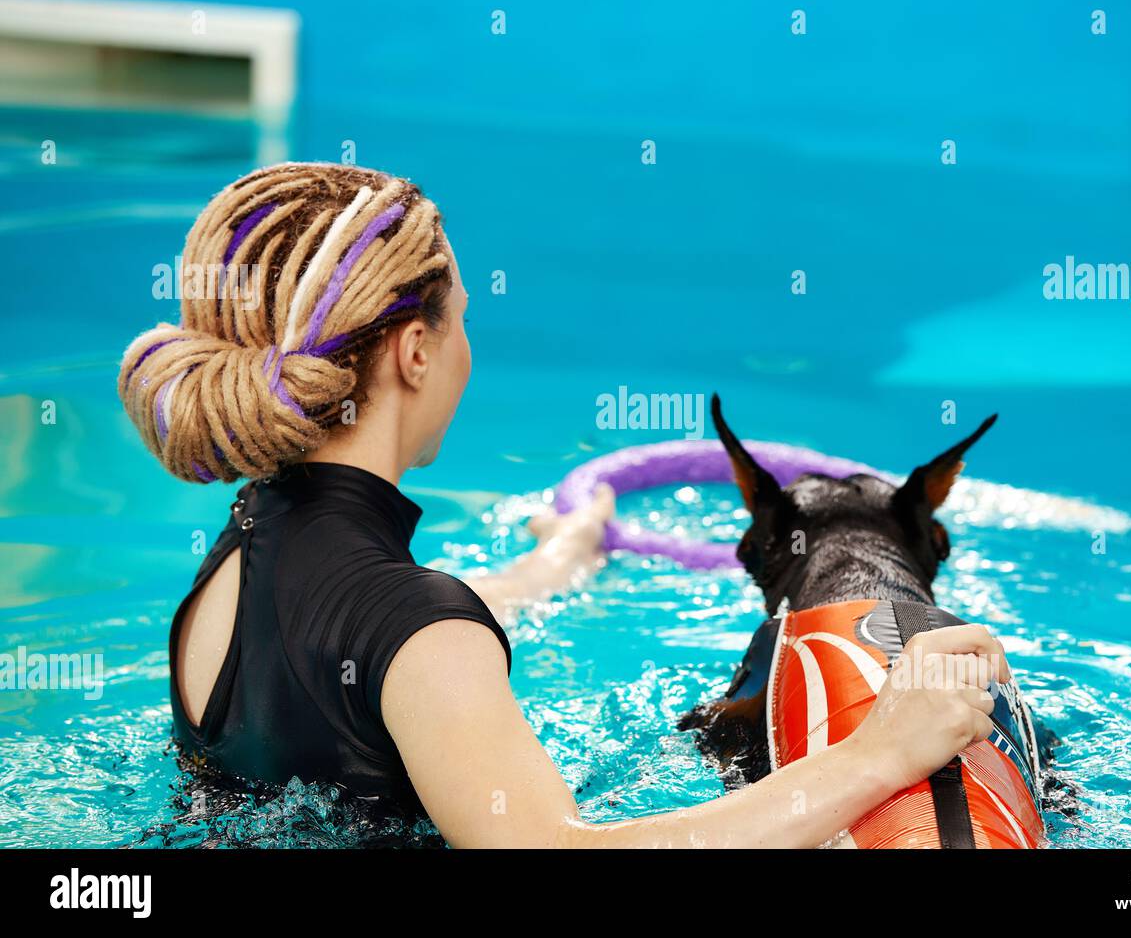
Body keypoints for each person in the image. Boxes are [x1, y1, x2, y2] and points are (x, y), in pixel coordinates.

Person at [119, 162, 1007, 847]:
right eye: (462, 319)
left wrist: (563, 556)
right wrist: (881, 751)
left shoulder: (233, 558)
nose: (470, 349)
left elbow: (364, 654)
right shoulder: (419, 627)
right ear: (416, 352)